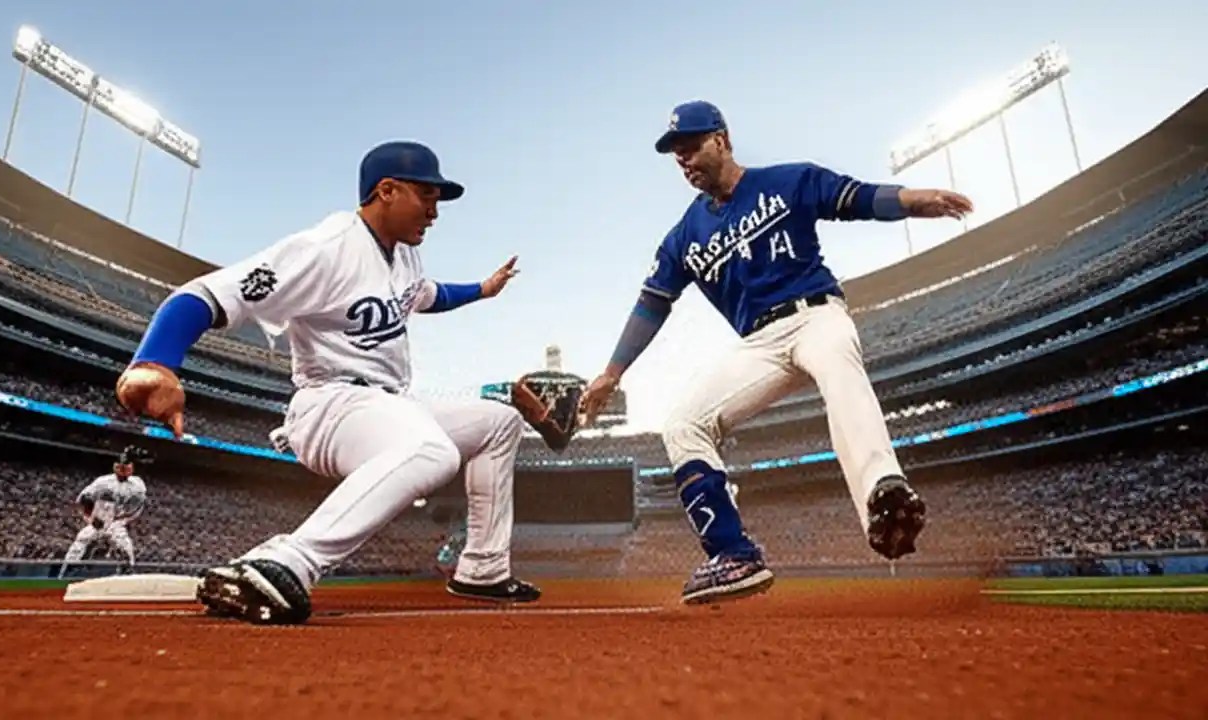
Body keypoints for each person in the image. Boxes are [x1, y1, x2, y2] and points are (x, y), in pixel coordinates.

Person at [115, 141, 540, 625]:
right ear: (386, 190)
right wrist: (155, 361)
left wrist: (483, 290)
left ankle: (482, 569)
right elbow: (205, 293)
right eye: (427, 195)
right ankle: (285, 561)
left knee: (500, 423)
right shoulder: (326, 249)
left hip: (389, 404)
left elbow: (429, 296)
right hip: (329, 406)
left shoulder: (404, 257)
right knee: (433, 451)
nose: (435, 211)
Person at [579, 100, 973, 605]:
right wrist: (613, 372)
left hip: (816, 316)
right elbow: (652, 303)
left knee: (838, 366)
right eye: (676, 153)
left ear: (722, 139)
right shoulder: (683, 236)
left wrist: (909, 198)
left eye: (692, 146)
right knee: (683, 424)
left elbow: (854, 196)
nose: (684, 159)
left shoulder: (788, 182)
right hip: (758, 345)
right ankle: (732, 555)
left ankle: (886, 491)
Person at [57, 448, 147, 578]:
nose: (123, 470)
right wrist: (92, 519)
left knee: (125, 546)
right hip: (100, 519)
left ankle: (126, 574)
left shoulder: (138, 485)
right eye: (121, 467)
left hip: (117, 522)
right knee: (82, 540)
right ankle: (66, 572)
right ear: (115, 467)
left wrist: (125, 520)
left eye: (127, 467)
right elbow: (83, 501)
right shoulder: (103, 482)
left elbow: (138, 506)